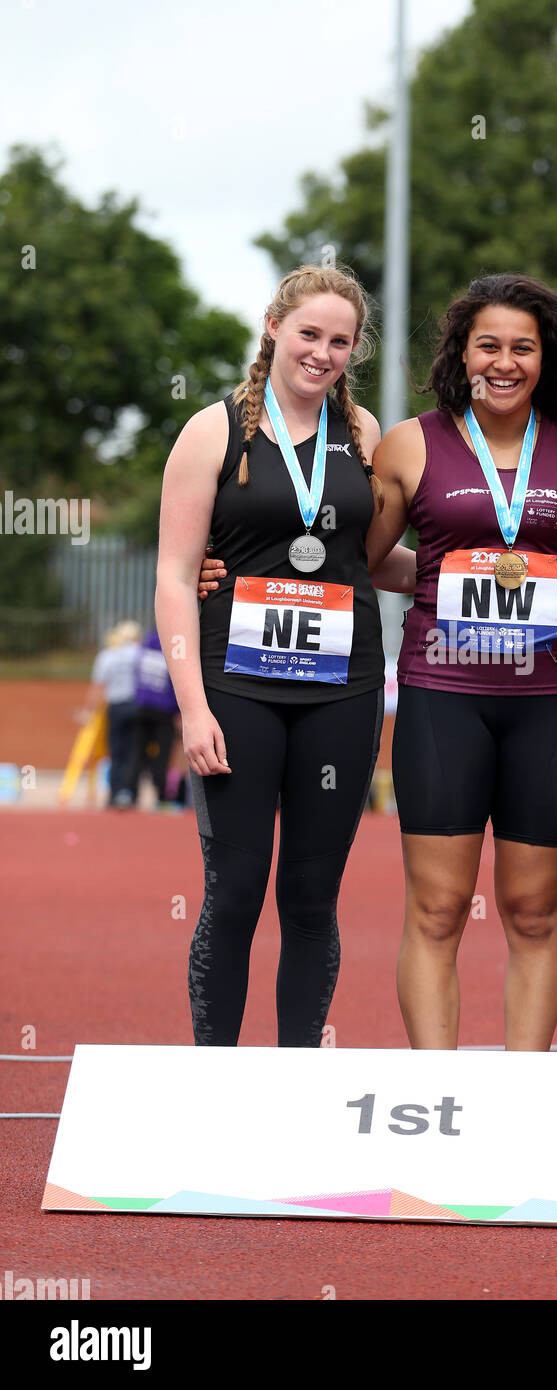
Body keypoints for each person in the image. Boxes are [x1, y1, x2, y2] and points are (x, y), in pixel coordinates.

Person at [156, 264, 413, 1047]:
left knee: (310, 896)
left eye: (340, 340)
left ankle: (296, 1074)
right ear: (273, 327)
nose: (322, 353)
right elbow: (172, 574)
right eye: (309, 334)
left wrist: (468, 573)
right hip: (235, 687)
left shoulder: (365, 433)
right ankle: (216, 1076)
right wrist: (192, 709)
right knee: (234, 890)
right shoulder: (214, 429)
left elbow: (372, 562)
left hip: (342, 688)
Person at [365, 273, 557, 1050]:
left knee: (535, 911)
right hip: (444, 696)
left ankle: (522, 1097)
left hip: (555, 701)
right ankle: (439, 1097)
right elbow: (370, 560)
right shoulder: (411, 442)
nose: (503, 362)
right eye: (488, 346)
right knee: (438, 909)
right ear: (461, 353)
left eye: (522, 347)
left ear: (547, 359)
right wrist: (445, 582)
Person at [87, 620, 143, 808]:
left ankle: (115, 793)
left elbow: (98, 687)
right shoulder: (139, 654)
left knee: (116, 751)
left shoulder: (107, 656)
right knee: (133, 751)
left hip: (116, 707)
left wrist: (89, 710)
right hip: (136, 706)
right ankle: (131, 794)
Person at [133, 628, 180, 809]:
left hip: (143, 707)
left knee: (137, 752)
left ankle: (129, 793)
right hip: (163, 711)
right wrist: (178, 710)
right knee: (163, 754)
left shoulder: (144, 648)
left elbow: (137, 677)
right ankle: (160, 797)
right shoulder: (172, 649)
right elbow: (173, 684)